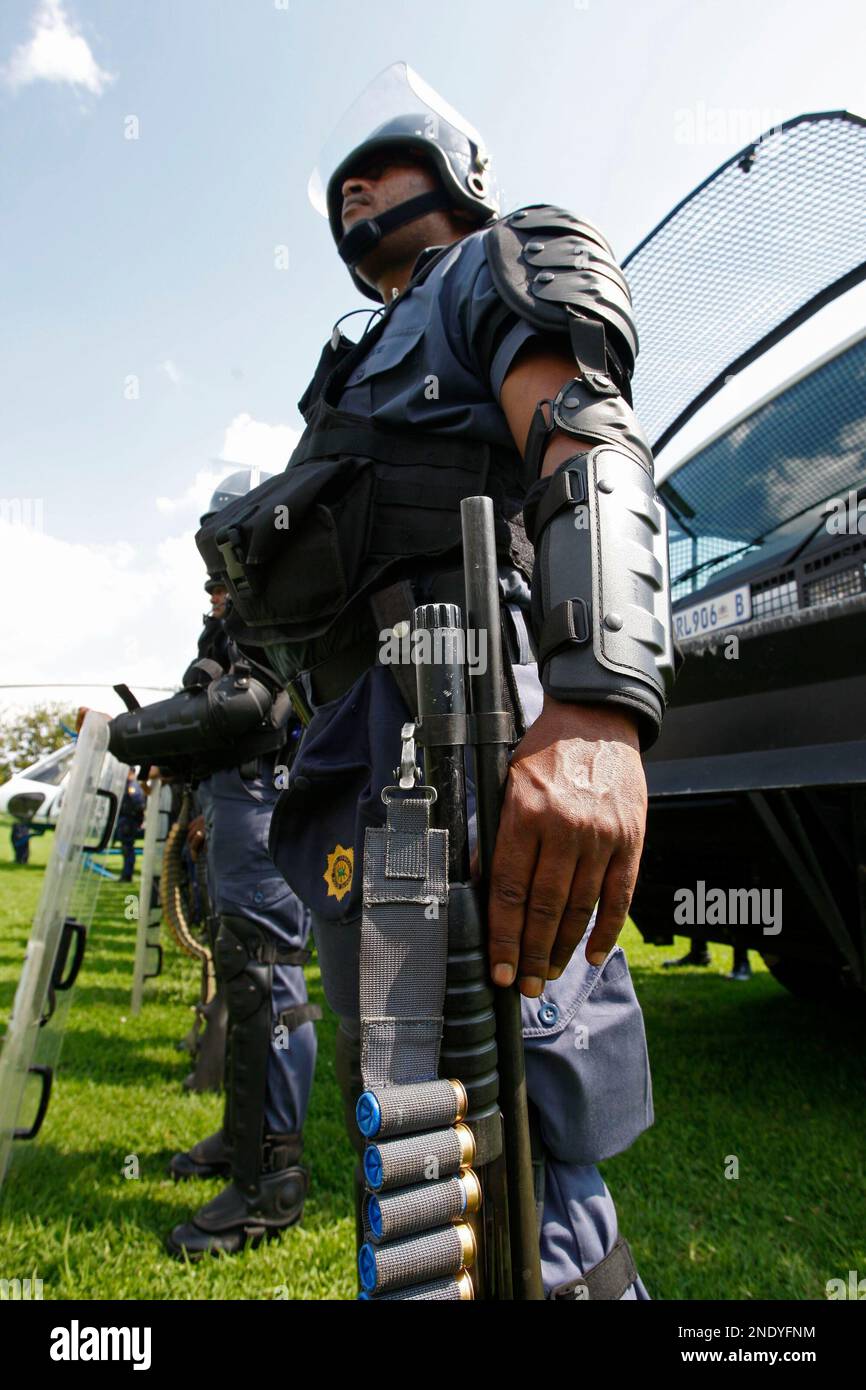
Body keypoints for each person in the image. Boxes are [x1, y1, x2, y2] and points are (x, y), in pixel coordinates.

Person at [198, 64, 676, 1299]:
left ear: (456, 170)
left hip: (477, 755)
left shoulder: (490, 271)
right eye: (337, 183)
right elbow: (322, 622)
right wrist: (232, 712)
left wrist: (595, 708)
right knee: (412, 1161)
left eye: (381, 162)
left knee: (527, 1160)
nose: (351, 186)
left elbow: (590, 443)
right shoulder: (345, 378)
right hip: (364, 799)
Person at [108, 483, 319, 1258]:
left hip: (267, 802)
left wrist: (133, 735)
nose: (217, 580)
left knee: (268, 977)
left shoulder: (282, 602)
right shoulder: (235, 614)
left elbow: (248, 709)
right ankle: (244, 1142)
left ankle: (274, 1184)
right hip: (237, 805)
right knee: (244, 974)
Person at [115, 769, 145, 882]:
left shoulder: (133, 785)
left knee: (127, 848)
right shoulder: (128, 784)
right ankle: (126, 874)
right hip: (126, 819)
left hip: (129, 820)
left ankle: (127, 875)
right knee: (126, 848)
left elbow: (138, 802)